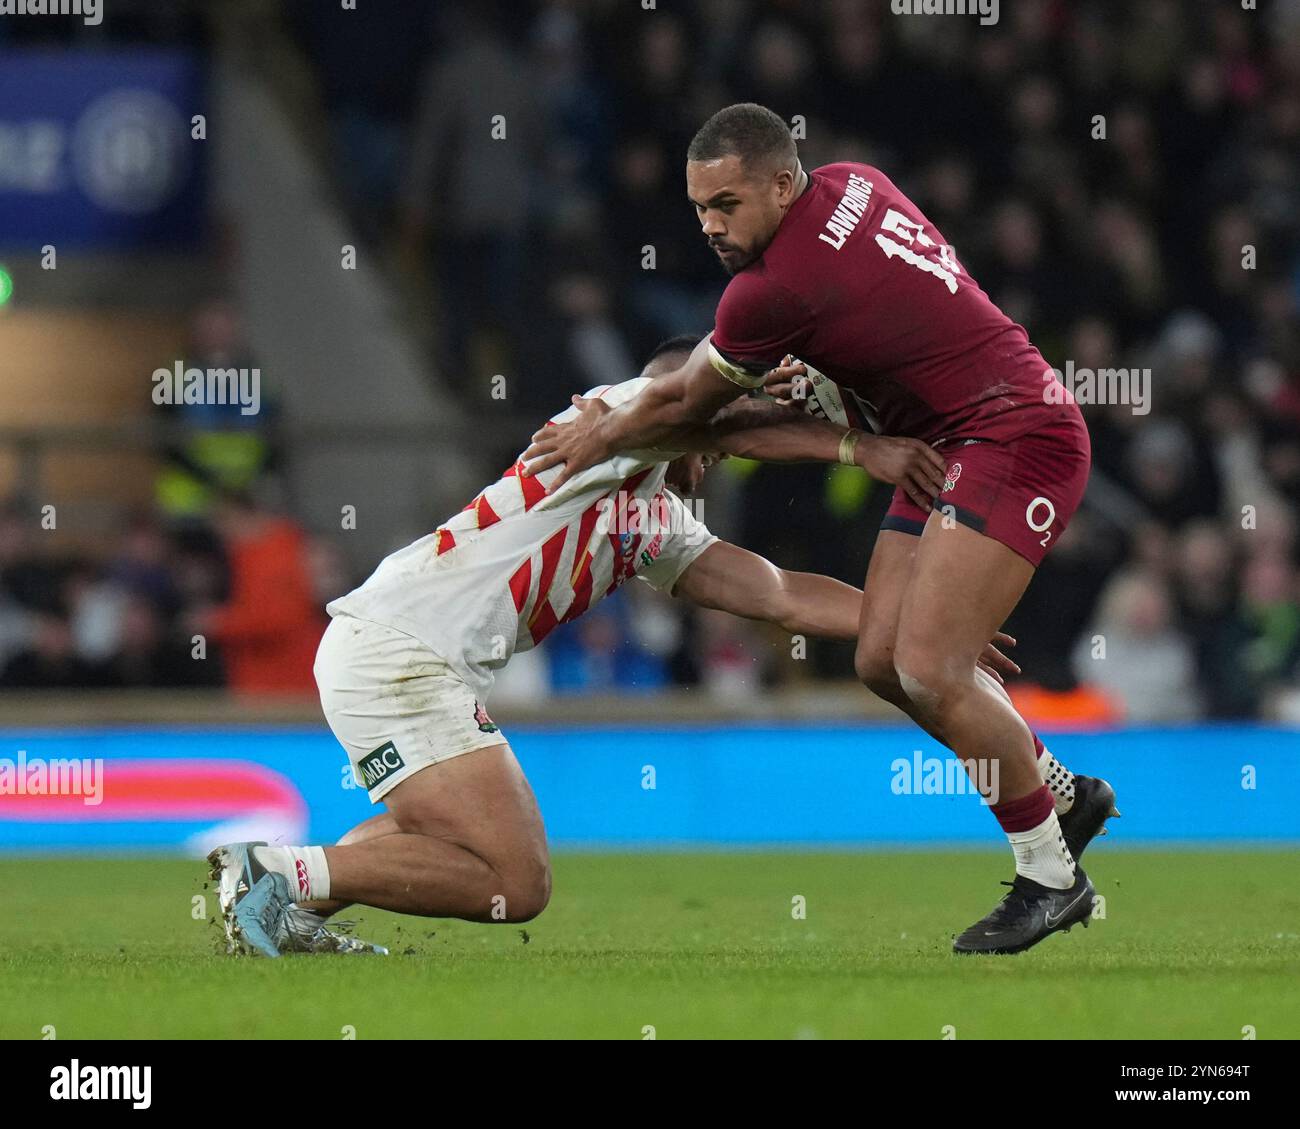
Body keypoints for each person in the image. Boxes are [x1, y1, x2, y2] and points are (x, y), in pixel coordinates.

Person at [522, 104, 1119, 955]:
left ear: (779, 181)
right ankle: (1060, 789)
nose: (711, 226)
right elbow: (902, 315)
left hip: (1017, 432)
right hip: (943, 440)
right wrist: (841, 396)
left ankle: (1051, 874)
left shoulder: (772, 291)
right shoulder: (855, 183)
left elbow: (691, 402)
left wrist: (599, 433)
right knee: (882, 659)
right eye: (699, 209)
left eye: (726, 204)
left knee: (928, 663)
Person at [208, 336, 1021, 957]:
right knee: (516, 880)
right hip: (400, 653)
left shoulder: (650, 515)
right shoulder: (610, 420)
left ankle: (289, 903)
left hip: (398, 655)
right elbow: (710, 417)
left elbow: (778, 593)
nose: (718, 457)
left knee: (450, 838)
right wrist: (856, 446)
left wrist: (921, 622)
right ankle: (273, 874)